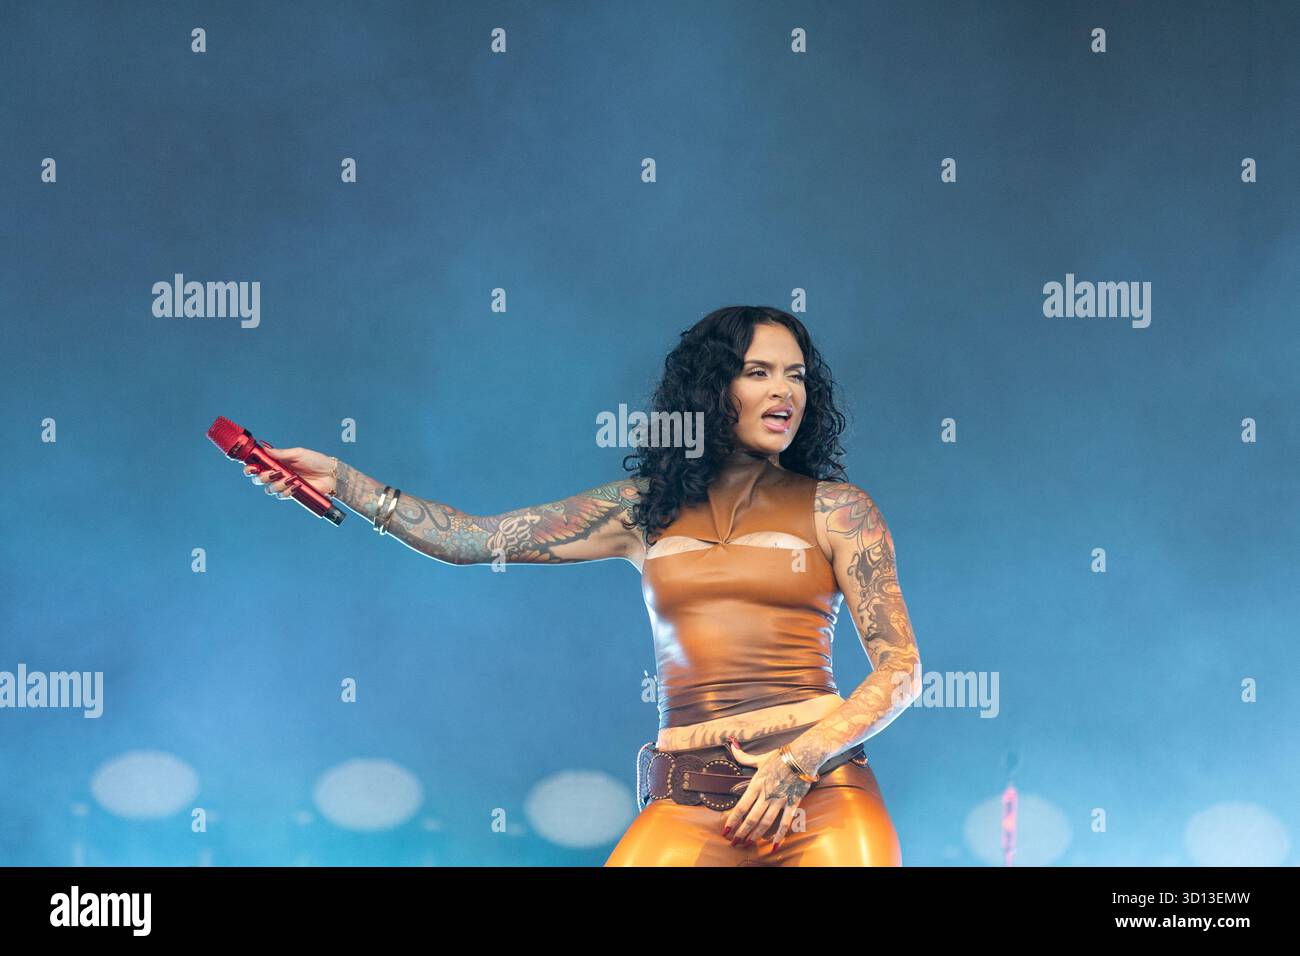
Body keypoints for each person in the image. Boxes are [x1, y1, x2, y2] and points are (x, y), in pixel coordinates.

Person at [245, 305, 922, 866]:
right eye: (759, 373)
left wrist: (799, 761)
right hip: (688, 802)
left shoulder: (841, 510)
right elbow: (475, 540)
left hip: (822, 792)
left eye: (796, 376)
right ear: (714, 391)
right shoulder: (642, 510)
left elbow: (901, 672)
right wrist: (344, 480)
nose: (786, 392)